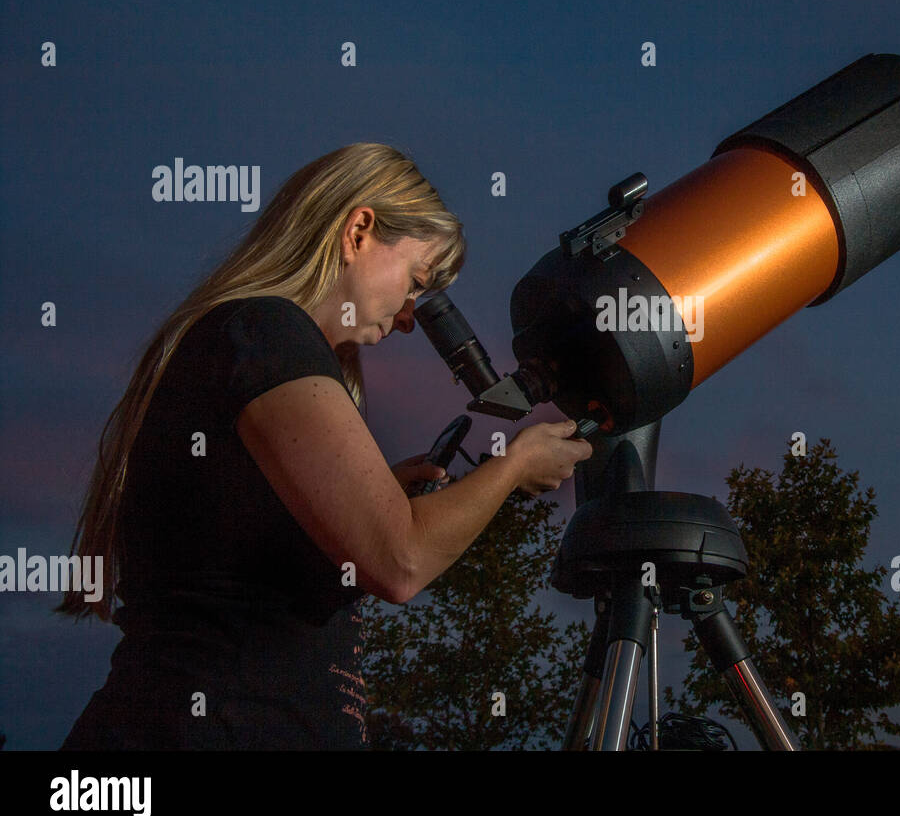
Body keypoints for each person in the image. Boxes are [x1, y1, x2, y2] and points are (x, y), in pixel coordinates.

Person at [55, 142, 592, 749]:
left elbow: (250, 537)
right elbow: (402, 560)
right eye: (415, 281)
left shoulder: (255, 340)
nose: (412, 316)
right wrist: (514, 465)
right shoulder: (266, 333)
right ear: (359, 230)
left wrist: (378, 492)